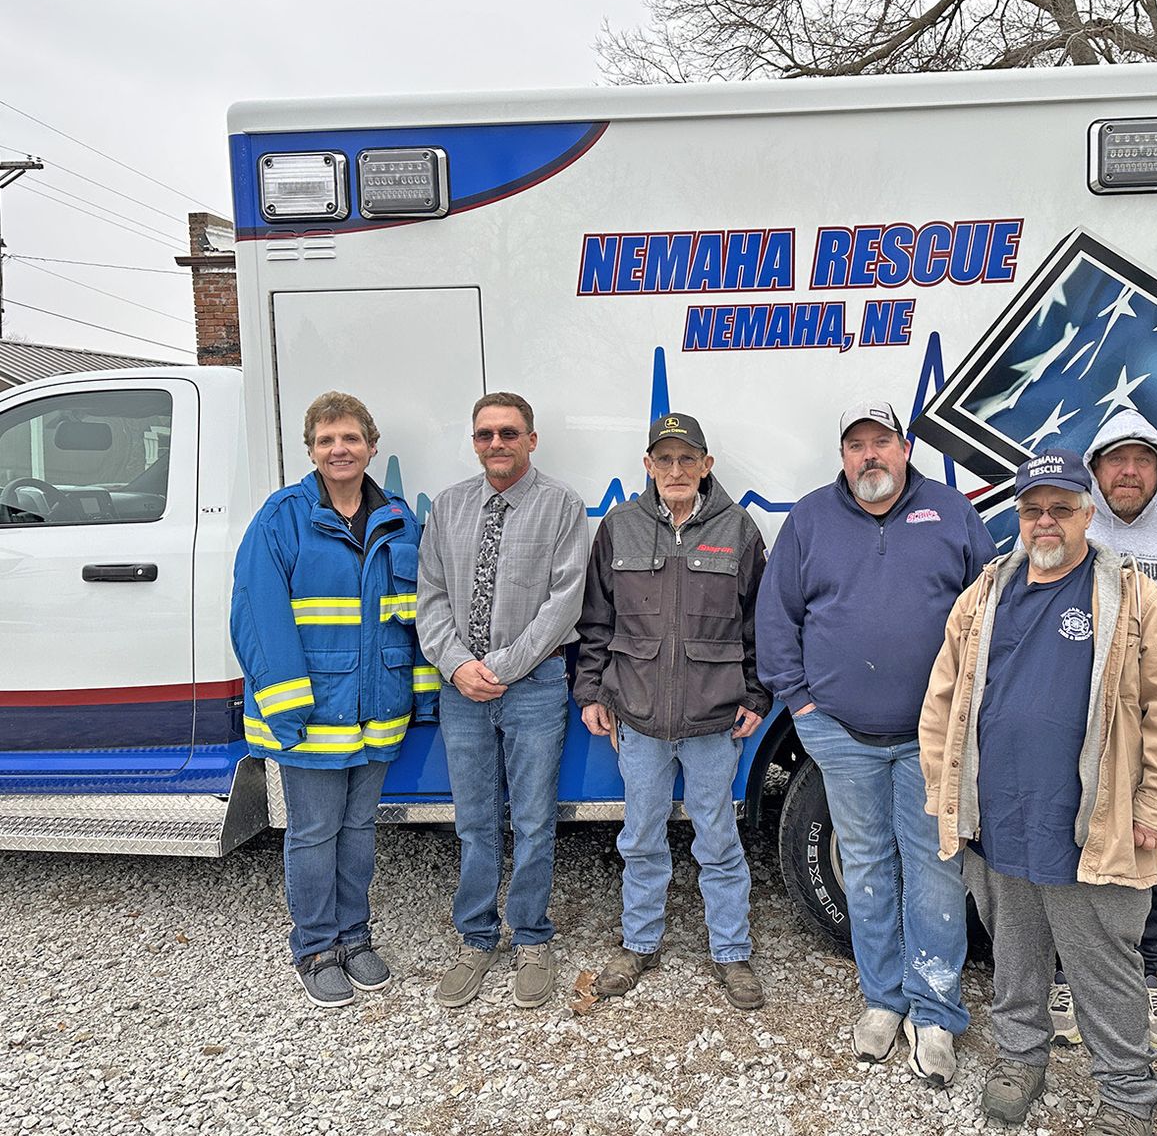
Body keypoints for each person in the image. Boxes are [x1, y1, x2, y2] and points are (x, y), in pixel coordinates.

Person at [920, 448, 1157, 1136]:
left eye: (1061, 508)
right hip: (1000, 819)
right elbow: (943, 698)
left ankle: (1129, 1091)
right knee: (1014, 957)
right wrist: (944, 794)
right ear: (1018, 517)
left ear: (1087, 513)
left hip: (1089, 825)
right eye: (1032, 509)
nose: (1045, 521)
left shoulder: (1132, 597)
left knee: (1102, 963)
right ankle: (1021, 1059)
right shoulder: (985, 594)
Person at [756, 401, 996, 1086]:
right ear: (842, 455)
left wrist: (972, 710)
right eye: (856, 444)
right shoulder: (808, 519)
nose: (869, 456)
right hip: (841, 734)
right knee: (864, 869)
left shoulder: (952, 513)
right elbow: (777, 618)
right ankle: (884, 1000)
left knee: (935, 874)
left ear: (905, 446)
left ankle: (935, 1011)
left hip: (932, 738)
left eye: (881, 442)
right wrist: (802, 706)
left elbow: (989, 612)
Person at [231, 391, 439, 1009]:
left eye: (350, 438)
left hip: (377, 711)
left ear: (372, 446)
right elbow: (258, 618)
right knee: (314, 832)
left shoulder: (398, 518)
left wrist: (420, 697)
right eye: (326, 440)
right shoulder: (281, 518)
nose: (339, 449)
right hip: (311, 713)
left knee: (357, 830)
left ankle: (355, 937)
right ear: (312, 451)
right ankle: (316, 946)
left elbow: (417, 620)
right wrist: (287, 705)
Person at [574, 413, 771, 1010]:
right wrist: (591, 692)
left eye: (689, 460)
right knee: (640, 838)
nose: (677, 470)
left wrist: (758, 694)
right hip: (637, 717)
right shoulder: (620, 527)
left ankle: (731, 954)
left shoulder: (739, 530)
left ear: (707, 466)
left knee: (717, 839)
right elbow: (596, 621)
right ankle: (638, 944)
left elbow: (762, 622)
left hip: (714, 721)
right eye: (666, 460)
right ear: (649, 467)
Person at [1040, 412, 1157, 1052]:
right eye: (1115, 460)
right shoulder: (1062, 537)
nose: (1128, 471)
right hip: (1072, 736)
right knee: (1070, 850)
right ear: (1094, 470)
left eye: (1142, 460)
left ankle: (1146, 976)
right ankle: (1065, 976)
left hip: (1150, 740)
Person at [416, 392, 589, 1010]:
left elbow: (566, 600)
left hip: (535, 685)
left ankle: (533, 938)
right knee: (474, 820)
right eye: (485, 434)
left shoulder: (562, 507)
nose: (496, 444)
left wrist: (504, 667)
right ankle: (476, 938)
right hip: (461, 690)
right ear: (474, 441)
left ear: (531, 440)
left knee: (536, 820)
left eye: (509, 433)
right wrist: (460, 665)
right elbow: (429, 597)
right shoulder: (449, 507)